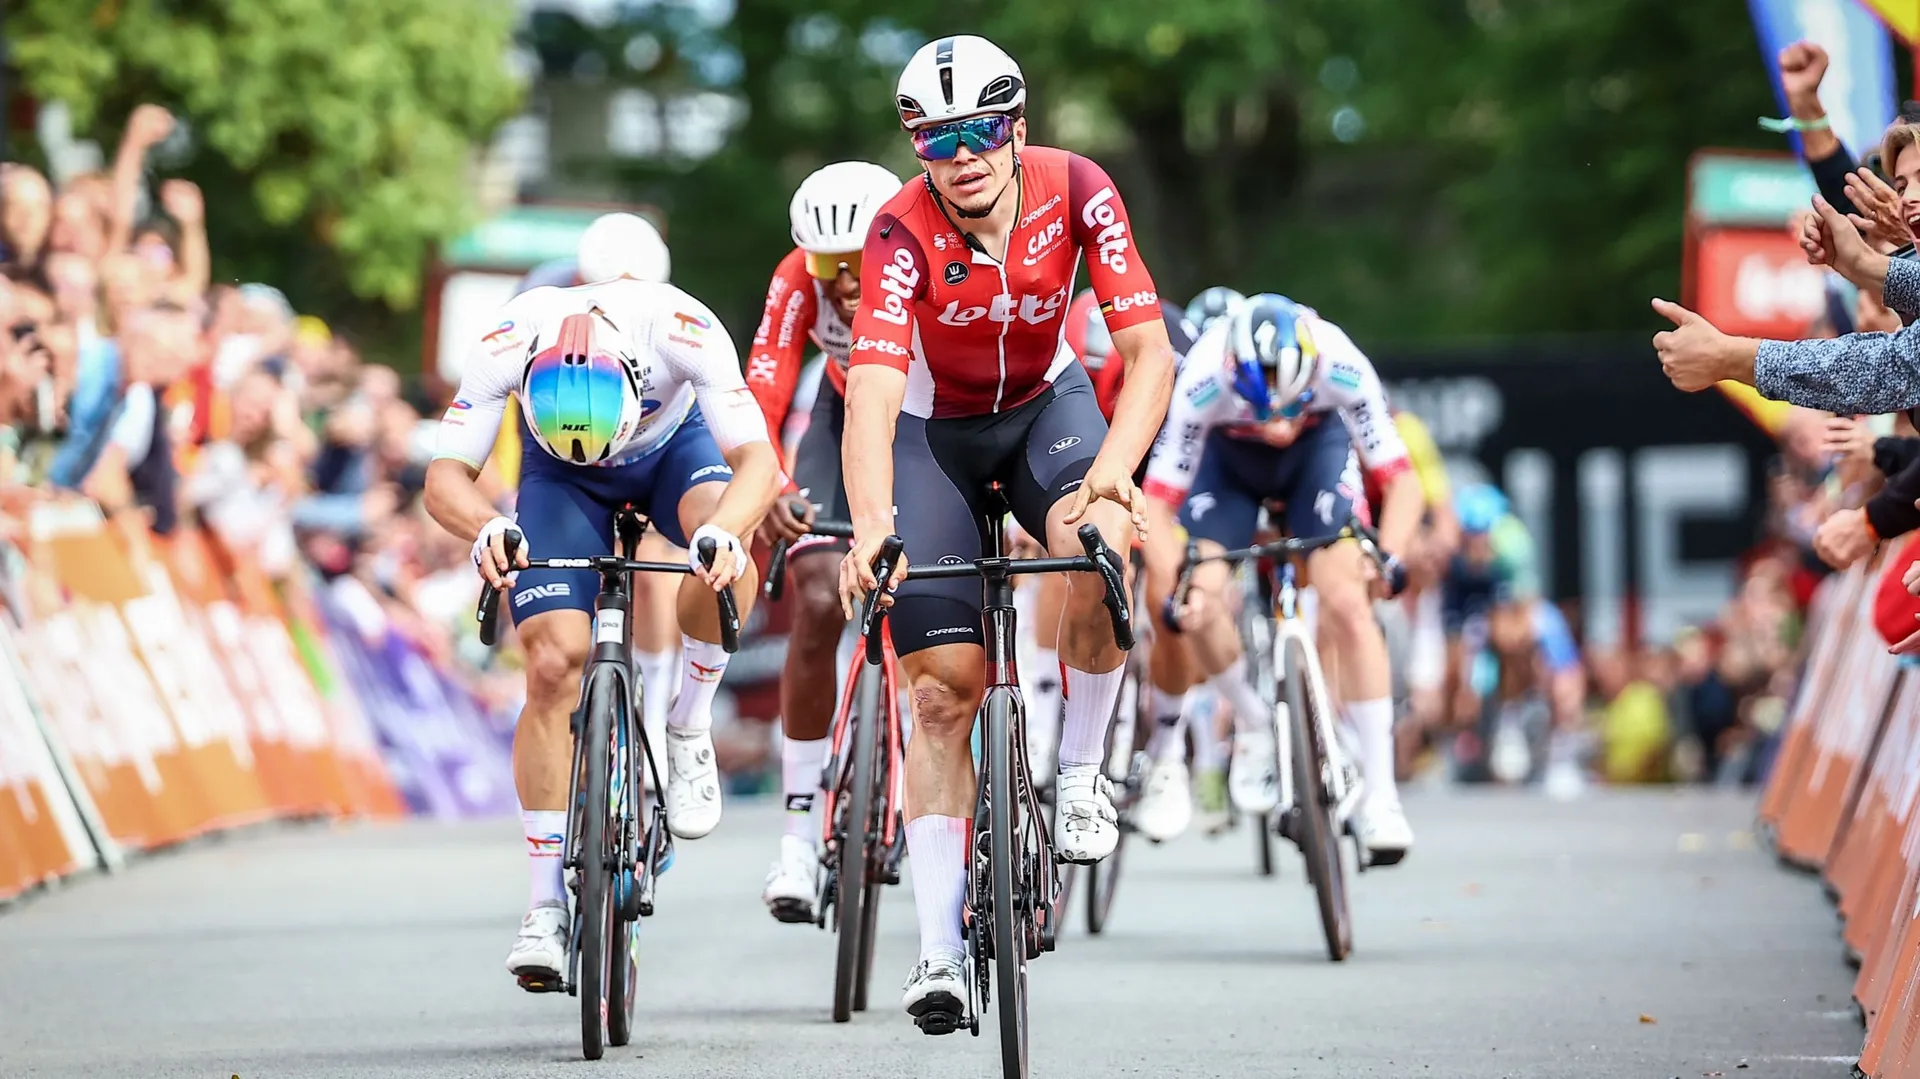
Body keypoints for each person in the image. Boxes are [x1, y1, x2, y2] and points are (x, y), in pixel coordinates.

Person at [836, 34, 1177, 1032]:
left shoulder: (1079, 188)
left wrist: (1114, 471)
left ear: (1017, 129)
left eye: (983, 128)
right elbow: (872, 398)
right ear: (916, 149)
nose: (965, 153)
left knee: (1100, 538)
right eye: (938, 138)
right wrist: (871, 527)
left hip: (1047, 412)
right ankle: (939, 951)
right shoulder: (896, 234)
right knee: (940, 690)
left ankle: (1078, 773)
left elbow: (1149, 355)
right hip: (932, 440)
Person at [423, 275, 781, 989]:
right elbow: (443, 478)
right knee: (553, 662)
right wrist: (486, 524)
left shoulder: (683, 328)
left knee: (728, 565)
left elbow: (760, 465)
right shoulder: (507, 338)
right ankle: (544, 907)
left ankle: (687, 721)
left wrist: (722, 532)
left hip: (673, 452)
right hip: (559, 479)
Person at [1140, 293, 1419, 863]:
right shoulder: (1203, 377)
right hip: (1227, 465)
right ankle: (1254, 721)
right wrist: (1175, 589)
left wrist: (1388, 556)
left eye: (1287, 409)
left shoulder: (1340, 360)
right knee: (1200, 597)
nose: (1275, 424)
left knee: (1347, 599)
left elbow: (1401, 479)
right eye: (1262, 410)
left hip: (1318, 456)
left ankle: (1382, 797)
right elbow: (1159, 505)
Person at [745, 159, 904, 923]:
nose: (841, 280)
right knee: (813, 599)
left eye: (857, 262)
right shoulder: (795, 277)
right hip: (842, 426)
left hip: (931, 427)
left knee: (943, 605)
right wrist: (770, 484)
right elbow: (763, 395)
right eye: (825, 263)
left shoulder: (929, 257)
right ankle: (799, 835)